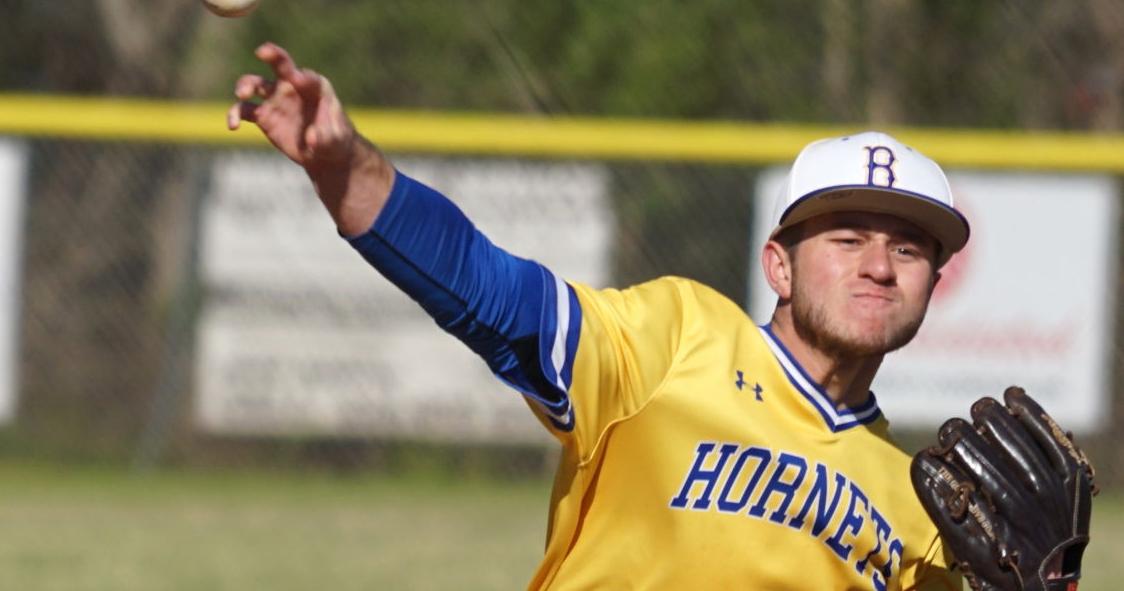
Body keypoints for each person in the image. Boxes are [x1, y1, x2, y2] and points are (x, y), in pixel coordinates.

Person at [228, 42, 969, 590]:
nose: (878, 266)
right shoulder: (676, 338)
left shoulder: (925, 509)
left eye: (906, 248)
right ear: (778, 263)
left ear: (932, 283)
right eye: (847, 240)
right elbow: (490, 293)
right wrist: (346, 168)